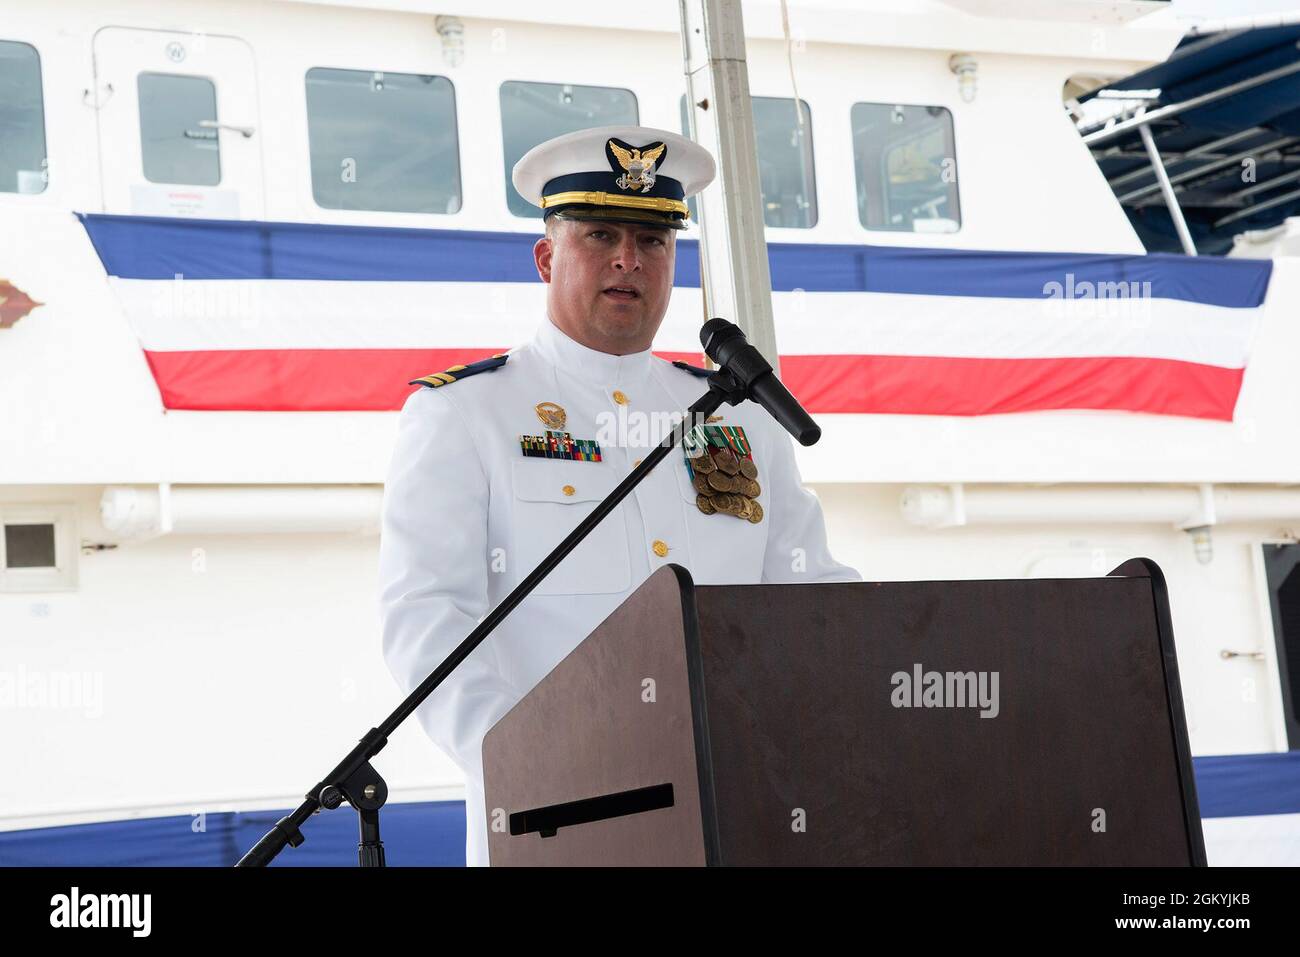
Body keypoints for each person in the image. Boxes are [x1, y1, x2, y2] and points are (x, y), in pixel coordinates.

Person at [379, 125, 860, 866]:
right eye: (600, 233)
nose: (629, 259)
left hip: (736, 817)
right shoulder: (465, 414)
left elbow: (810, 599)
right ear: (546, 258)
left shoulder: (737, 415)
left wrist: (902, 661)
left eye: (654, 240)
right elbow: (427, 618)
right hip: (555, 825)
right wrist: (527, 761)